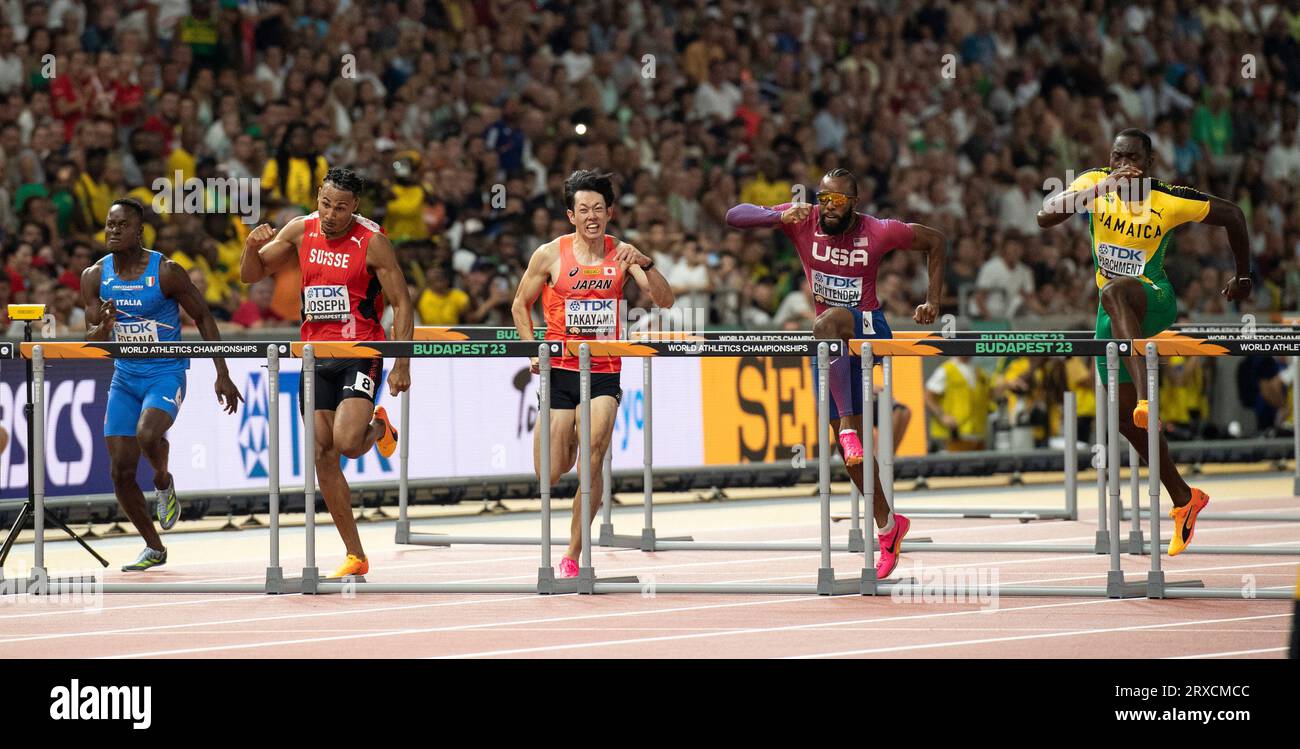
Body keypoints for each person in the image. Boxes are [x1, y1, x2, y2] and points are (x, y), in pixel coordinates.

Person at [1039, 128, 1252, 555]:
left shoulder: (1167, 198)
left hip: (1152, 298)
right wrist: (1103, 186)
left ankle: (1146, 397)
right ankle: (1185, 498)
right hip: (1111, 312)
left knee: (1116, 291)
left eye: (1132, 158)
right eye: (1117, 157)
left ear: (1150, 163)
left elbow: (1233, 215)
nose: (1124, 166)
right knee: (1121, 421)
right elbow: (1044, 216)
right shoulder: (1094, 184)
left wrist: (1243, 276)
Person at [726, 167, 947, 579]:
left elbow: (935, 241)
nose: (829, 208)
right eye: (823, 199)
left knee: (829, 322)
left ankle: (847, 426)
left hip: (867, 328)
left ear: (855, 203)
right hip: (829, 348)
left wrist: (932, 301)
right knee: (853, 456)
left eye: (839, 201)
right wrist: (777, 216)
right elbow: (734, 215)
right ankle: (888, 527)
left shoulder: (878, 230)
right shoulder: (805, 219)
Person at [240, 167, 413, 579]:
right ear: (318, 196)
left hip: (360, 350)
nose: (331, 214)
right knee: (321, 453)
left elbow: (402, 303)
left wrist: (402, 361)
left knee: (349, 443)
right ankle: (355, 554)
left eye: (341, 208)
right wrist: (250, 245)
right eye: (325, 203)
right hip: (316, 354)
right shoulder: (301, 230)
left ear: (355, 207)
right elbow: (251, 274)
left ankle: (379, 429)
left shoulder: (373, 243)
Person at [511, 170, 674, 578]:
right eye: (583, 209)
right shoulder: (549, 254)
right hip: (561, 370)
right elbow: (520, 304)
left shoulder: (621, 253)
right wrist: (534, 349)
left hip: (603, 371)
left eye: (598, 209)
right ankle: (563, 451)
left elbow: (665, 300)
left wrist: (645, 262)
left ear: (610, 212)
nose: (591, 216)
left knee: (594, 454)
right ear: (571, 215)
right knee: (550, 470)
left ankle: (573, 552)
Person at [81, 198, 243, 571]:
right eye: (109, 224)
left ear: (139, 231)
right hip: (125, 377)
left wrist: (221, 372)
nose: (113, 231)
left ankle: (162, 481)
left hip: (165, 372)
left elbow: (203, 317)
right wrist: (100, 328)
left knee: (147, 435)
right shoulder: (95, 276)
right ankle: (154, 547)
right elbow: (91, 334)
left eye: (122, 225)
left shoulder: (166, 271)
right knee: (120, 472)